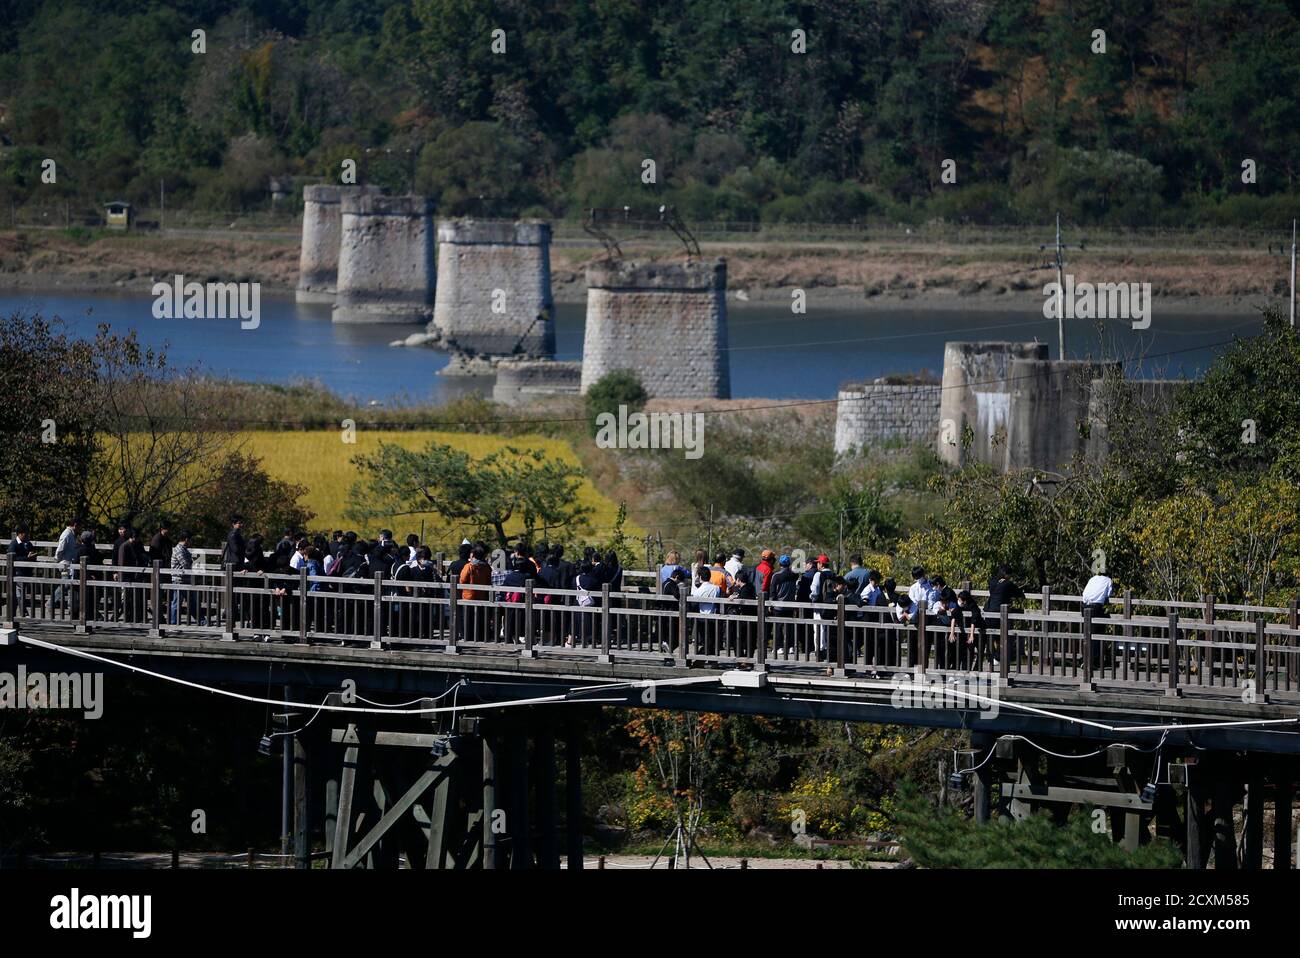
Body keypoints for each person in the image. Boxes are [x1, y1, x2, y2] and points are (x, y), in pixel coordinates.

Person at [169, 530, 197, 625]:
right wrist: (191, 561)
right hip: (179, 580)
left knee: (192, 601)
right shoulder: (179, 550)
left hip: (185, 579)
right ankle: (173, 623)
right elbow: (186, 564)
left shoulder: (184, 549)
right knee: (177, 603)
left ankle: (201, 620)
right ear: (186, 539)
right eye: (190, 540)